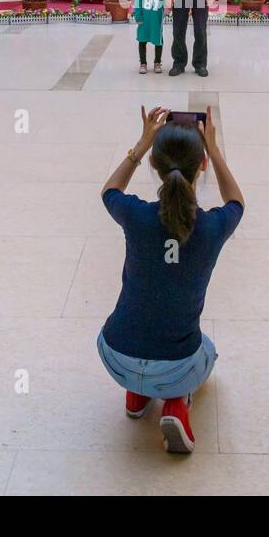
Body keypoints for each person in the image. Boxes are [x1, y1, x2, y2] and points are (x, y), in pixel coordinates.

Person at [98, 105, 244, 454]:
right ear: (203, 165)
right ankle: (176, 403)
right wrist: (214, 148)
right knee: (206, 349)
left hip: (116, 355)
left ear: (153, 164)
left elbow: (109, 191)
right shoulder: (212, 227)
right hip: (176, 366)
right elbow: (236, 201)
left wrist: (143, 142)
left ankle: (137, 395)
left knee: (146, 335)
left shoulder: (135, 216)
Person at [133, 0, 166, 74]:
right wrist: (138, 16)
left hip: (156, 20)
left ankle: (157, 62)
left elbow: (167, 3)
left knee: (158, 41)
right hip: (144, 19)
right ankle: (143, 63)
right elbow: (138, 1)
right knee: (142, 40)